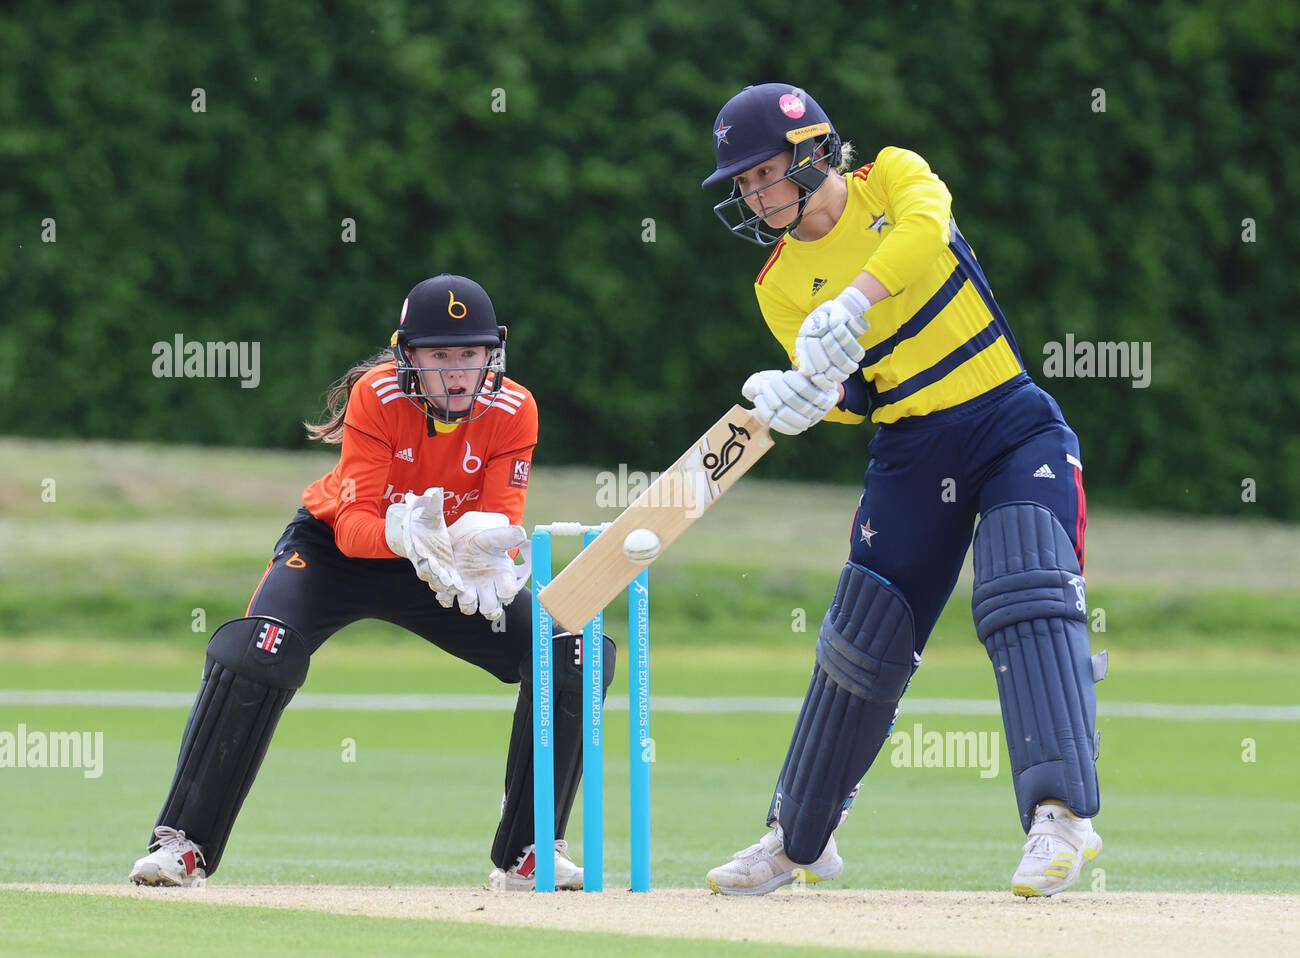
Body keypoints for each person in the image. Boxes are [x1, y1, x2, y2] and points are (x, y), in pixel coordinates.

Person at [699, 84, 1105, 898]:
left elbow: (927, 232)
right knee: (864, 637)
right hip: (913, 450)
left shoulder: (891, 177)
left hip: (1009, 420)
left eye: (763, 173)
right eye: (742, 183)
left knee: (1024, 588)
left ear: (814, 152)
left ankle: (1062, 820)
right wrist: (809, 397)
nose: (753, 194)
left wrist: (855, 298)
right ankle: (798, 837)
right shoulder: (777, 284)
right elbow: (856, 392)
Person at [128, 274, 614, 892]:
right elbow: (355, 527)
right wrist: (404, 533)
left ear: (494, 353)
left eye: (471, 353)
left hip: (442, 567)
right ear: (407, 356)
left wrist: (483, 552)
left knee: (570, 654)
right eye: (439, 355)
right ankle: (183, 844)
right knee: (259, 652)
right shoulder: (377, 395)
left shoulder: (515, 409)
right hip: (336, 554)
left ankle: (530, 850)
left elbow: (500, 520)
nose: (458, 372)